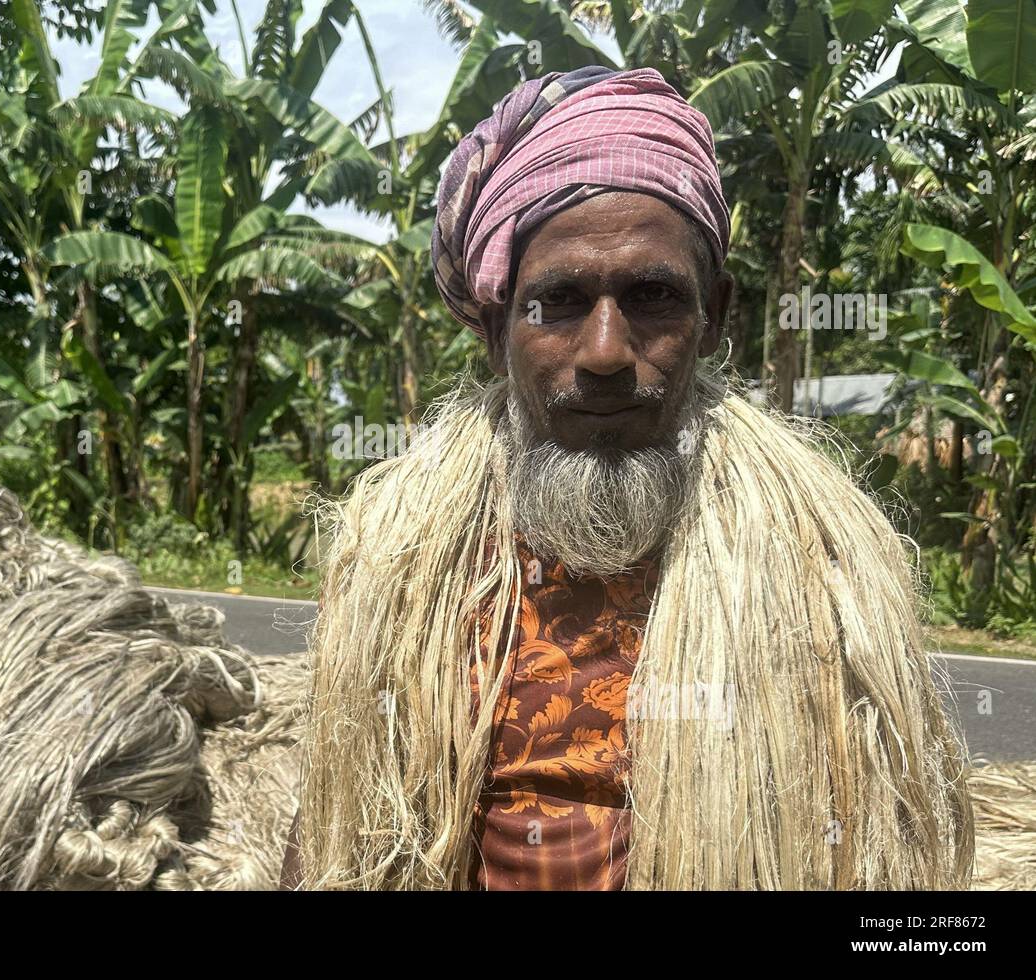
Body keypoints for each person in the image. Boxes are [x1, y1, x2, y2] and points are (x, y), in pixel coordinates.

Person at [280, 65, 973, 890]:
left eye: (651, 296)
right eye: (561, 302)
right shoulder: (401, 560)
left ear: (715, 313)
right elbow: (334, 827)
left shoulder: (825, 568)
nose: (606, 352)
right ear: (497, 324)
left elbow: (889, 853)